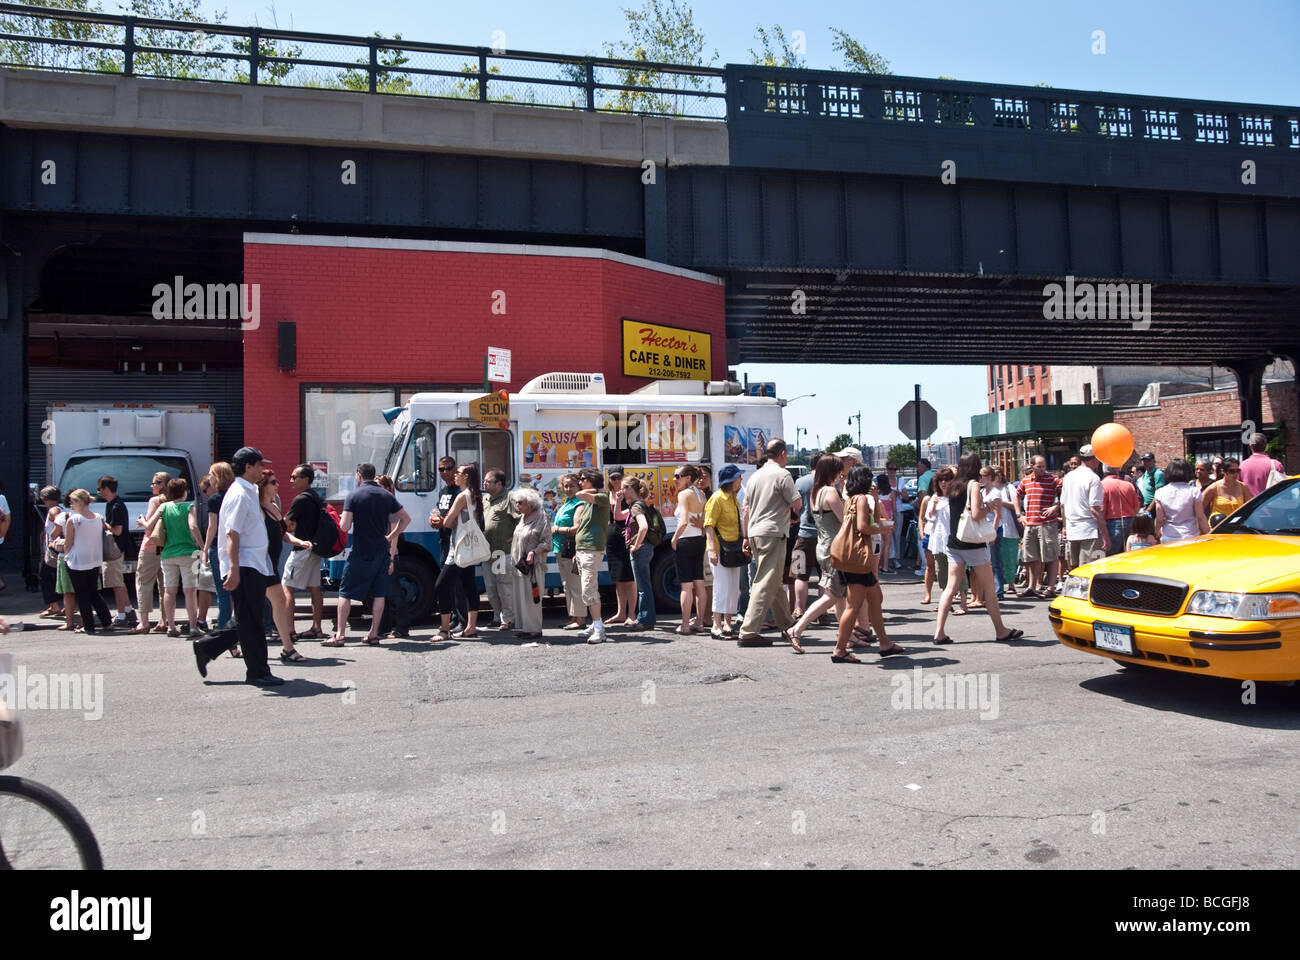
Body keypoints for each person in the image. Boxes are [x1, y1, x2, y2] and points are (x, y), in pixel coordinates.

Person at [193, 447, 283, 686]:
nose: (262, 469)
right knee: (251, 620)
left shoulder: (249, 490)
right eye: (259, 465)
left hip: (252, 563)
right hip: (243, 564)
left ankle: (207, 646)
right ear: (248, 467)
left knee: (247, 617)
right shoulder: (240, 494)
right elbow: (232, 533)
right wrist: (233, 569)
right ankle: (258, 672)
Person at [933, 453, 1024, 646]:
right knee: (989, 589)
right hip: (972, 543)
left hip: (954, 541)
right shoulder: (973, 485)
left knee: (950, 588)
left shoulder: (953, 485)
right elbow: (975, 514)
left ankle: (939, 632)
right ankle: (1001, 630)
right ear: (976, 466)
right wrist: (990, 507)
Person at [328, 462, 411, 646]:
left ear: (358, 475)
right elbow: (406, 518)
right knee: (379, 593)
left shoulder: (354, 495)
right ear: (373, 475)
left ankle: (340, 634)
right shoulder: (386, 495)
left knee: (345, 592)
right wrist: (390, 536)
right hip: (381, 551)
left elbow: (345, 526)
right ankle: (373, 633)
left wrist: (339, 519)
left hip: (361, 550)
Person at [829, 465, 906, 662]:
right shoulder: (862, 499)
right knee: (853, 605)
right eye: (869, 478)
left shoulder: (851, 499)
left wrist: (876, 501)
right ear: (864, 480)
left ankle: (885, 642)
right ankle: (840, 649)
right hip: (859, 559)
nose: (873, 482)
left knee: (874, 600)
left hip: (851, 559)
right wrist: (882, 529)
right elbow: (863, 526)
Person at [737, 439, 800, 648]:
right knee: (765, 581)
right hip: (773, 532)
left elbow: (746, 508)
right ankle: (748, 632)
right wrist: (792, 514)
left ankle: (788, 626)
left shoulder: (755, 476)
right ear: (782, 453)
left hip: (755, 532)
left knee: (771, 580)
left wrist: (746, 536)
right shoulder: (783, 474)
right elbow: (797, 503)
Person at [431, 462, 486, 641]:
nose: (455, 474)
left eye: (459, 472)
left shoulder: (462, 496)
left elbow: (447, 522)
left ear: (466, 476)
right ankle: (471, 627)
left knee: (441, 586)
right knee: (469, 585)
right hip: (469, 546)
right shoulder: (475, 495)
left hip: (459, 547)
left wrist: (440, 518)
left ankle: (444, 630)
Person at [258, 469, 309, 663]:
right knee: (271, 604)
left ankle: (287, 648)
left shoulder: (273, 507)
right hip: (259, 564)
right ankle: (288, 648)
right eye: (273, 482)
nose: (277, 485)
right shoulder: (256, 508)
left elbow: (283, 533)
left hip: (270, 563)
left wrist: (299, 542)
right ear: (262, 486)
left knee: (271, 604)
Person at [148, 478, 203, 638]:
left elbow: (150, 525)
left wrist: (143, 522)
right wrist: (202, 545)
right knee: (190, 591)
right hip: (189, 553)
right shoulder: (188, 506)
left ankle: (171, 626)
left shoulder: (164, 507)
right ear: (184, 492)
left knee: (169, 591)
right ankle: (193, 627)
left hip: (167, 554)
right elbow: (193, 526)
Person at [281, 464, 326, 639]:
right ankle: (317, 628)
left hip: (301, 549)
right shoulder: (318, 497)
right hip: (316, 549)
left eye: (294, 477)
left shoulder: (300, 499)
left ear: (306, 479)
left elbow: (286, 524)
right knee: (315, 588)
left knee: (287, 587)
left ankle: (290, 630)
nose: (291, 480)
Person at [60, 489, 113, 634]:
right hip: (94, 559)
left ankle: (89, 626)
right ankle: (107, 622)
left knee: (82, 594)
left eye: (72, 502)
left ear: (80, 502)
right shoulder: (99, 517)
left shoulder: (74, 519)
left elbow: (68, 543)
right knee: (93, 592)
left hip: (77, 560)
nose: (70, 505)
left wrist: (65, 555)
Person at [704, 464, 745, 638]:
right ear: (731, 481)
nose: (741, 479)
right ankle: (716, 624)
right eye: (738, 477)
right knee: (721, 587)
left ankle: (728, 623)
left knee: (733, 588)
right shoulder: (717, 498)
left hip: (733, 549)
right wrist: (712, 549)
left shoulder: (733, 498)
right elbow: (709, 525)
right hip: (720, 550)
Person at [572, 468, 611, 644]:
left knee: (589, 589)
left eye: (583, 479)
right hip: (583, 549)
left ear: (592, 481)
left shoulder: (601, 497)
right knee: (586, 589)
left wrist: (595, 489)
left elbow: (579, 494)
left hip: (591, 549)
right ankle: (595, 625)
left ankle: (599, 628)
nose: (580, 482)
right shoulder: (592, 501)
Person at [1017, 456, 1062, 598]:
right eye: (1039, 466)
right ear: (1032, 466)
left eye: (1043, 466)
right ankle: (1032, 586)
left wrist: (1056, 506)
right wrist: (1020, 515)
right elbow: (1016, 495)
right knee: (1031, 557)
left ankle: (1051, 587)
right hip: (1030, 523)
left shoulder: (1053, 479)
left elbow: (1066, 493)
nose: (1042, 469)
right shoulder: (1026, 480)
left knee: (1051, 555)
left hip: (1047, 523)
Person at [480, 468, 519, 632]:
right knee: (491, 587)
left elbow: (522, 518)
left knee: (504, 586)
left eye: (488, 481)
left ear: (499, 483)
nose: (484, 484)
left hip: (503, 551)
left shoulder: (510, 497)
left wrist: (516, 537)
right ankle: (496, 616)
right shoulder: (485, 499)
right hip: (487, 552)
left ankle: (508, 619)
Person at [510, 486, 551, 640]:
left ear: (530, 503)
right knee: (521, 596)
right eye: (516, 503)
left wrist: (534, 552)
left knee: (532, 596)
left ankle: (535, 629)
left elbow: (547, 542)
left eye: (520, 503)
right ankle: (526, 628)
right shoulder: (522, 518)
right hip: (520, 564)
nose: (517, 506)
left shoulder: (541, 517)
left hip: (534, 564)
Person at [670, 465, 708, 635]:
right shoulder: (701, 494)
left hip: (685, 540)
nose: (675, 479)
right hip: (699, 540)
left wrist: (674, 538)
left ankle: (685, 624)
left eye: (678, 476)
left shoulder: (684, 494)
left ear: (687, 477)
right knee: (699, 583)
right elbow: (705, 519)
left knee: (686, 586)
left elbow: (683, 520)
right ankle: (699, 622)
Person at [1061, 444, 1111, 569]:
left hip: (1073, 529)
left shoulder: (1068, 477)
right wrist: (1105, 535)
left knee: (1075, 569)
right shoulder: (1093, 478)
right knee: (1092, 569)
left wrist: (1065, 527)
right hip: (1089, 531)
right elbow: (1094, 509)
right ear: (1094, 459)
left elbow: (1063, 505)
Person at [132, 471, 171, 634]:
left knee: (143, 582)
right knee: (165, 586)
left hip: (151, 546)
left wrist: (141, 520)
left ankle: (144, 622)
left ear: (162, 485)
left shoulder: (155, 501)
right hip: (168, 547)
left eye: (154, 483)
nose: (152, 486)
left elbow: (150, 525)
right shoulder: (173, 501)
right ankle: (165, 620)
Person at [924, 469, 967, 615]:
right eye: (941, 480)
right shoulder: (935, 498)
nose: (944, 483)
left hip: (954, 539)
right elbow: (929, 518)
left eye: (947, 479)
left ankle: (963, 602)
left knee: (958, 571)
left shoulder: (956, 497)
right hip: (938, 539)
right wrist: (934, 506)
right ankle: (946, 602)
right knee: (941, 571)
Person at [95, 476, 135, 628]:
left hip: (114, 549)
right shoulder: (113, 504)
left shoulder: (116, 506)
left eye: (99, 489)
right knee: (119, 581)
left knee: (115, 583)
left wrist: (103, 523)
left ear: (106, 489)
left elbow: (117, 531)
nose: (98, 492)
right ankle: (128, 610)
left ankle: (121, 615)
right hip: (118, 549)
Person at [376, 475, 411, 640]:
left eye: (379, 486)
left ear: (388, 488)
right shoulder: (383, 505)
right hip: (381, 554)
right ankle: (384, 626)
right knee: (382, 592)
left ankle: (402, 627)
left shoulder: (390, 507)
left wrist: (390, 558)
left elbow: (394, 535)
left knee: (394, 592)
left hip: (389, 555)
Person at [201, 463, 235, 635]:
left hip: (219, 548)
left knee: (223, 595)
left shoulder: (215, 499)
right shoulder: (237, 495)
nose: (210, 478)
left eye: (211, 474)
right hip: (238, 548)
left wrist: (205, 549)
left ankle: (222, 632)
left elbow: (212, 527)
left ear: (219, 476)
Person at [552, 474, 587, 631]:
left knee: (575, 585)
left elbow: (576, 528)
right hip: (561, 549)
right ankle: (573, 616)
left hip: (572, 550)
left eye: (572, 486)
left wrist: (557, 529)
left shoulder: (579, 504)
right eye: (565, 486)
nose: (568, 489)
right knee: (567, 585)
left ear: (579, 487)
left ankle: (580, 618)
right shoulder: (567, 502)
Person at [621, 476, 657, 632]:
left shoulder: (636, 506)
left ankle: (645, 620)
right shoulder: (640, 504)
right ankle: (646, 618)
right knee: (644, 585)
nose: (621, 491)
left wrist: (635, 545)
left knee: (643, 587)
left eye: (623, 488)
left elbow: (643, 527)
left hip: (641, 550)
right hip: (646, 548)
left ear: (630, 489)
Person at [603, 469, 636, 628]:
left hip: (625, 538)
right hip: (611, 538)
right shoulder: (606, 494)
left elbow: (632, 515)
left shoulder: (627, 494)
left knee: (629, 578)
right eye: (613, 478)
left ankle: (631, 614)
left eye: (618, 478)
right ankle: (620, 612)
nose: (616, 481)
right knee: (618, 578)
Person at [790, 454, 821, 620]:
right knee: (825, 576)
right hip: (824, 536)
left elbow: (795, 507)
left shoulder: (800, 482)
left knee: (800, 575)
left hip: (803, 533)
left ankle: (799, 610)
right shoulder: (830, 483)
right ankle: (821, 612)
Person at [1153, 459, 1209, 543]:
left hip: (1169, 535)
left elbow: (1160, 519)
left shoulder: (1160, 492)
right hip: (1190, 535)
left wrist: (1156, 533)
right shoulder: (1194, 491)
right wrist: (1209, 533)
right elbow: (1200, 517)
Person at [992, 469, 1022, 597]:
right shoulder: (988, 489)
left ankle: (1011, 583)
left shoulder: (1009, 488)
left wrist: (1000, 502)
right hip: (995, 526)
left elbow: (1016, 505)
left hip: (1009, 526)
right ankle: (997, 585)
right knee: (997, 558)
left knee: (1010, 556)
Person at [1101, 463, 1140, 557]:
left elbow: (1102, 510)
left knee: (1111, 556)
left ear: (1104, 471)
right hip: (1130, 521)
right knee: (1127, 554)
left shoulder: (1102, 485)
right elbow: (1136, 507)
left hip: (1112, 523)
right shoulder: (1129, 485)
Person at [36, 486, 64, 618]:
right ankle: (65, 605)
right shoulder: (61, 508)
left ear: (46, 499)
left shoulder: (54, 510)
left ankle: (54, 606)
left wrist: (53, 537)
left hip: (53, 551)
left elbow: (60, 523)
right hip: (58, 550)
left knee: (44, 576)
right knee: (60, 577)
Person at [694, 465, 715, 627]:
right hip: (696, 543)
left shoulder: (712, 497)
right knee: (698, 583)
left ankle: (707, 616)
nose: (701, 479)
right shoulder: (695, 495)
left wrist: (703, 525)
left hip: (708, 544)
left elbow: (712, 523)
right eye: (699, 476)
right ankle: (700, 615)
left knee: (707, 583)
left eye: (705, 476)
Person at [1201, 457, 1248, 523]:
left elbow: (1250, 509)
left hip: (1236, 528)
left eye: (1237, 471)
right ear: (1223, 471)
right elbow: (1199, 511)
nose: (1235, 474)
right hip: (1217, 528)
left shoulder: (1243, 487)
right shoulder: (1213, 488)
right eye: (1232, 471)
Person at [1239, 432, 1285, 498]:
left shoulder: (1242, 466)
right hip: (1271, 505)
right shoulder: (1276, 465)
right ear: (1266, 446)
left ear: (1251, 446)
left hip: (1251, 506)